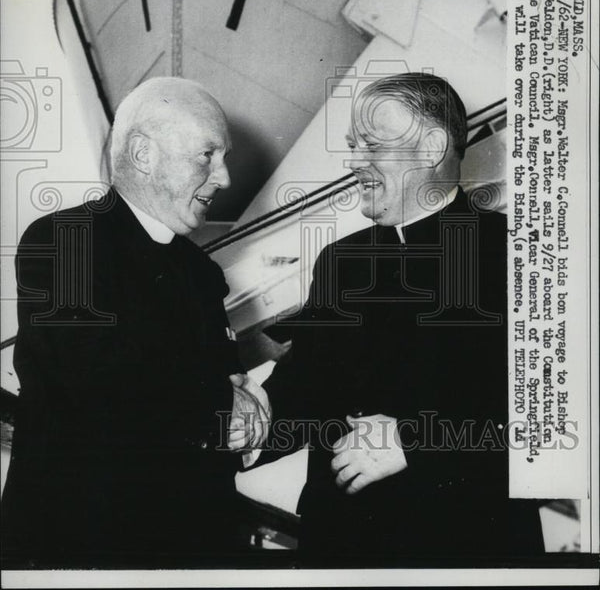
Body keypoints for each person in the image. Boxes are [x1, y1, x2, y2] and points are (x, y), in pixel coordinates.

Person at [256, 73, 544, 563]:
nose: (354, 162)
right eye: (353, 146)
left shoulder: (525, 256)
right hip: (341, 549)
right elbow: (306, 386)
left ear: (432, 147)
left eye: (372, 145)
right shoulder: (340, 261)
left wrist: (417, 441)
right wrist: (254, 418)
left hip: (466, 551)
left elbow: (553, 429)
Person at [2, 77, 269, 568]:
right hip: (85, 547)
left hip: (191, 546)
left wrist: (249, 412)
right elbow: (99, 379)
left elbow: (221, 385)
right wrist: (225, 401)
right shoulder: (66, 241)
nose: (225, 178)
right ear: (144, 153)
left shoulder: (200, 272)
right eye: (207, 155)